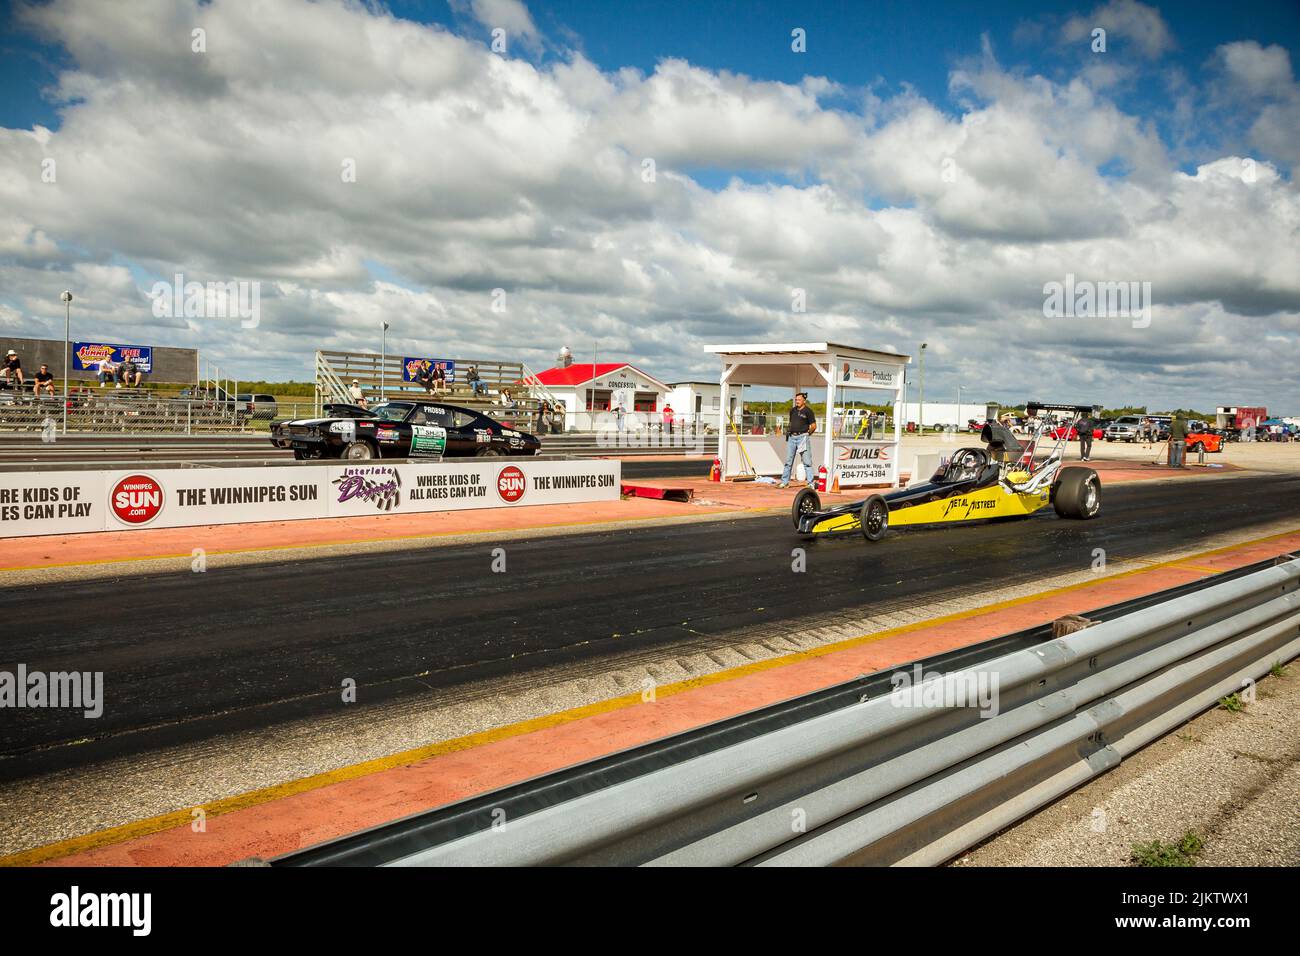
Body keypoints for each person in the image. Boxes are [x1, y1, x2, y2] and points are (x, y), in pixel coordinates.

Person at [779, 392, 817, 489]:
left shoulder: (808, 411)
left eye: (799, 400)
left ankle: (811, 483)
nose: (797, 401)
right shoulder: (792, 411)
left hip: (803, 437)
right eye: (796, 400)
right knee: (788, 461)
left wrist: (807, 434)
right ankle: (785, 482)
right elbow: (791, 422)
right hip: (792, 437)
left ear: (804, 401)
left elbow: (813, 426)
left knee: (807, 462)